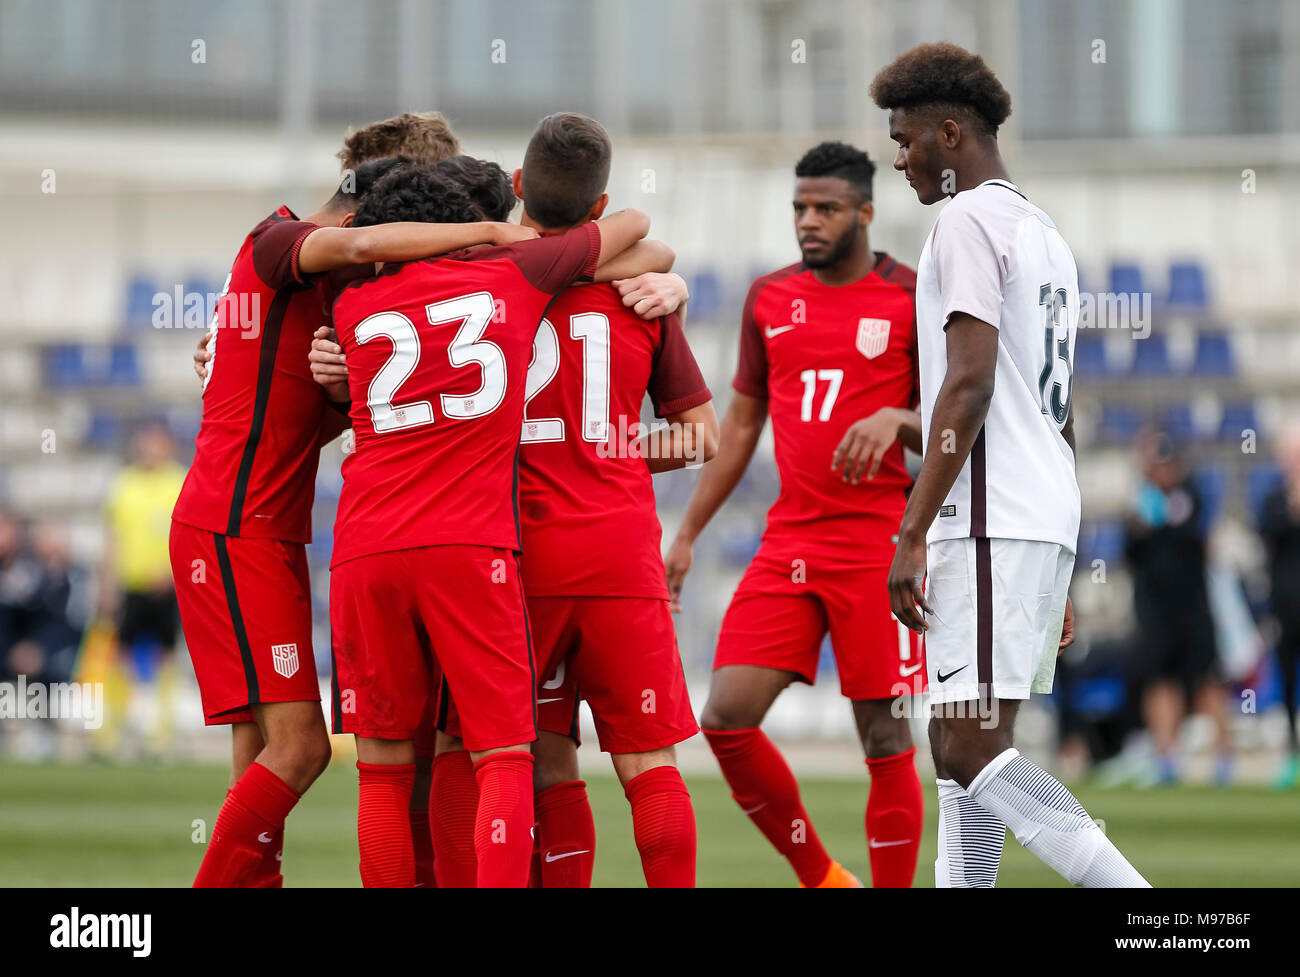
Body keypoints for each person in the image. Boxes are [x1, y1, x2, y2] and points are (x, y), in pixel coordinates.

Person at [174, 156, 534, 889]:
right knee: (301, 748)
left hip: (292, 529)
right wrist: (497, 232)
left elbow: (352, 404)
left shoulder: (348, 299)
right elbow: (363, 250)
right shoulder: (282, 243)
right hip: (237, 524)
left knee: (298, 747)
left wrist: (333, 388)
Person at [325, 157, 660, 888]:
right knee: (504, 756)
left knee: (381, 775)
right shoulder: (511, 278)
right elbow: (634, 227)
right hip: (469, 547)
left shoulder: (348, 306)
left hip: (363, 548)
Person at [872, 42, 1149, 887]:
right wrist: (1058, 564)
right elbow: (1052, 410)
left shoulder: (964, 221)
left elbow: (971, 382)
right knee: (957, 746)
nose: (898, 157)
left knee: (968, 744)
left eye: (907, 138)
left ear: (950, 133)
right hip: (1034, 517)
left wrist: (912, 531)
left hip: (986, 519)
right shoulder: (1043, 231)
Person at [664, 141, 926, 888]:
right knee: (725, 715)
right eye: (800, 209)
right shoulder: (769, 296)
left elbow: (954, 416)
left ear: (866, 213)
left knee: (882, 732)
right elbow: (742, 425)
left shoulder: (911, 295)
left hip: (881, 538)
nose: (809, 222)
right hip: (791, 538)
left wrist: (897, 420)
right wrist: (685, 534)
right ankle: (821, 875)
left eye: (827, 209)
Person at [1123, 429, 1232, 786]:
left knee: (1207, 680)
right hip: (1155, 611)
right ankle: (1165, 757)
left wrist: (1158, 519)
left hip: (1193, 608)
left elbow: (1190, 537)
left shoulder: (1193, 495)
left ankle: (1223, 757)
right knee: (1160, 681)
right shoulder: (1141, 501)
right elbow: (1132, 548)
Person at [102, 421, 186, 756]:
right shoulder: (124, 485)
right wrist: (106, 584)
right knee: (120, 655)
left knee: (165, 656)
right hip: (131, 585)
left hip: (169, 586)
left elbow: (188, 536)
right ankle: (112, 731)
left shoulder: (179, 481)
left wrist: (171, 571)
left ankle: (161, 734)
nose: (150, 450)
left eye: (156, 444)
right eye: (145, 443)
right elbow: (113, 538)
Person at [1259, 426, 1300, 788]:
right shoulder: (1273, 499)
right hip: (1286, 608)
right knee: (1286, 681)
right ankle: (1292, 753)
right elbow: (1269, 534)